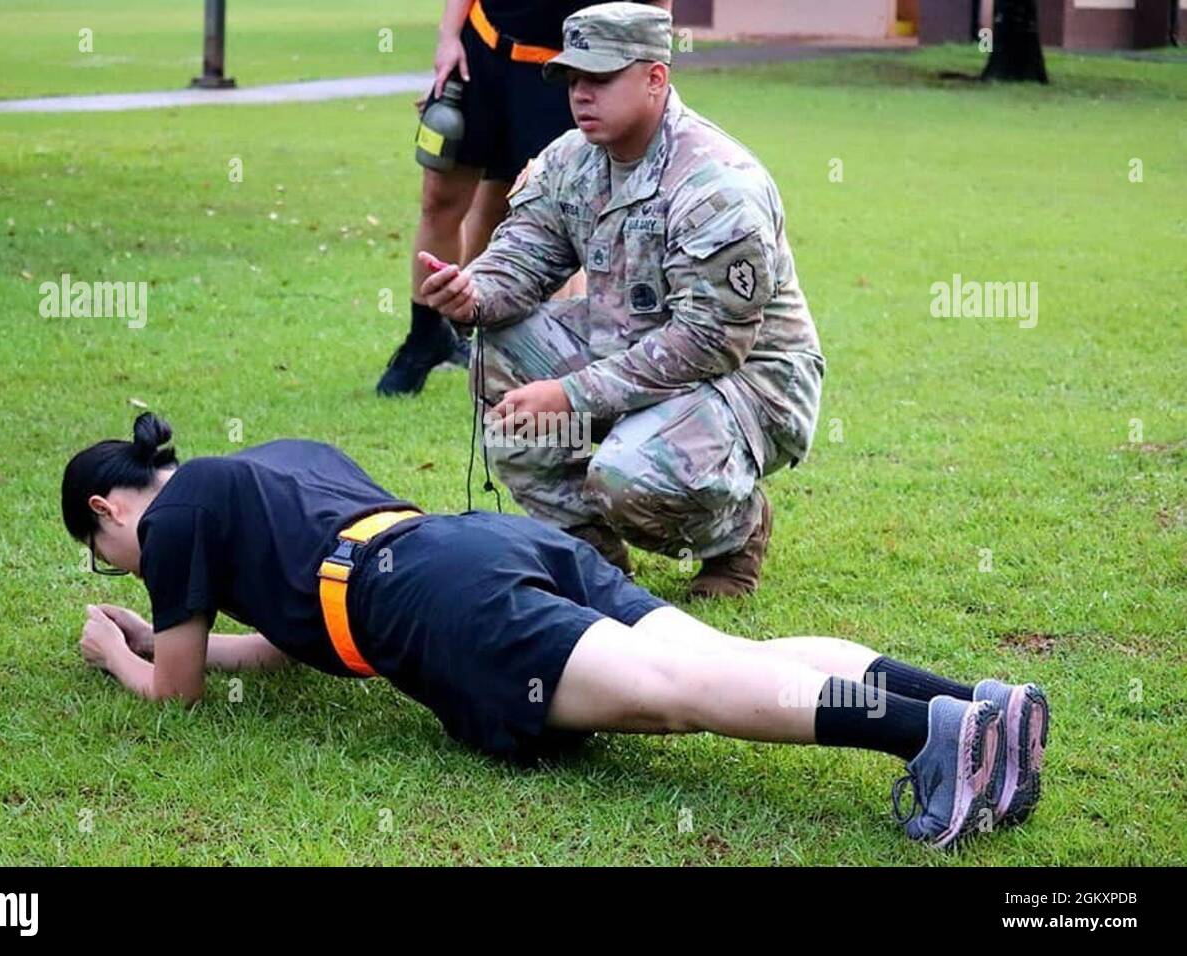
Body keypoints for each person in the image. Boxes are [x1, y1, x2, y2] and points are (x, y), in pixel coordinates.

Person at [63, 413, 1049, 848]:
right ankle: (972, 709)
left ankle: (928, 738)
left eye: (113, 559)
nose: (135, 576)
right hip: (473, 546)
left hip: (439, 604)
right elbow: (292, 642)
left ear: (111, 508)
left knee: (678, 693)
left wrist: (119, 652)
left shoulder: (180, 512)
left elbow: (178, 696)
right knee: (722, 657)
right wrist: (163, 640)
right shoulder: (270, 466)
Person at [419, 2, 824, 598]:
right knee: (499, 351)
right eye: (573, 79)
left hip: (752, 382)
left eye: (601, 78)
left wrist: (572, 395)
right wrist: (473, 293)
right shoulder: (569, 161)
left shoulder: (716, 184)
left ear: (656, 77)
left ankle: (737, 534)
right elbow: (525, 259)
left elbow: (709, 342)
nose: (581, 95)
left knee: (626, 477)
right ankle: (590, 559)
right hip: (630, 345)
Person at [376, 0, 672, 397]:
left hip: (561, 70)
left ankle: (550, 361)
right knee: (440, 198)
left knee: (540, 212)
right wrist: (448, 37)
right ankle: (426, 337)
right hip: (481, 47)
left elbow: (655, 10)